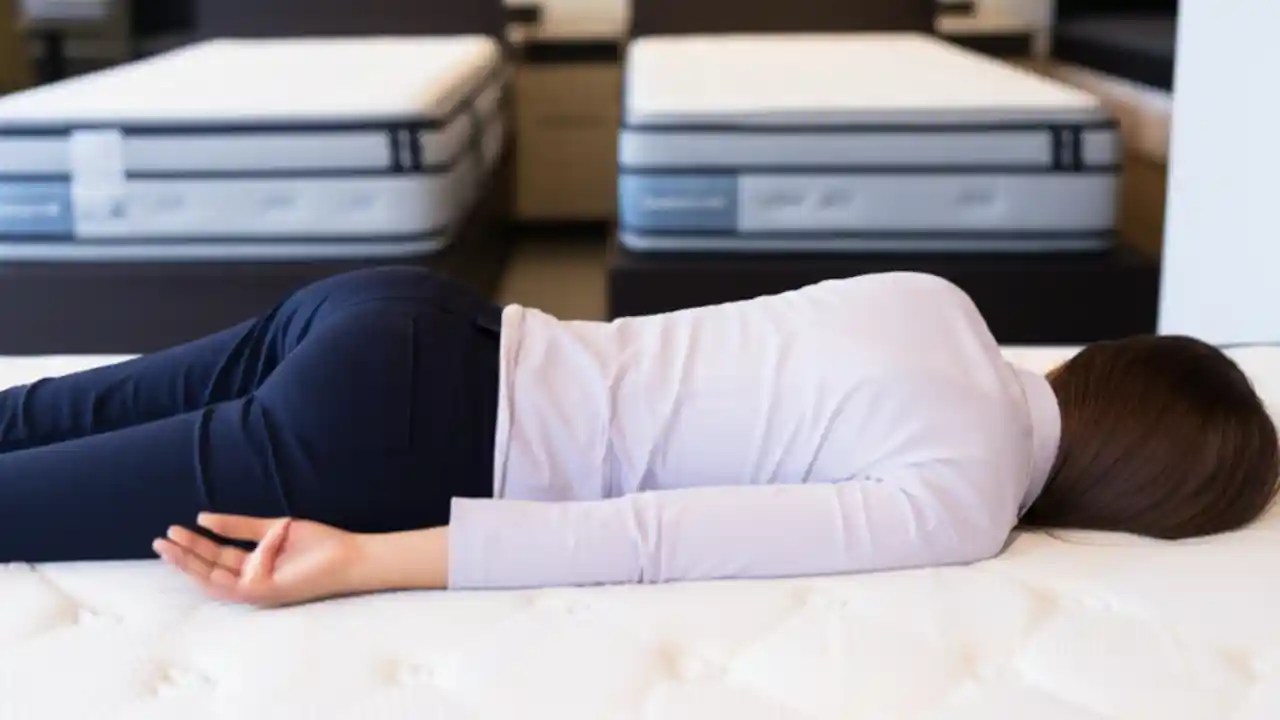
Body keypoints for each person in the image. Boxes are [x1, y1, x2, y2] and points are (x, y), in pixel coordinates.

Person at [1, 267, 1276, 606]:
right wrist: (363, 560)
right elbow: (653, 537)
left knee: (40, 413)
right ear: (1140, 500)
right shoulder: (963, 506)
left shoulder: (943, 306)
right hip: (407, 436)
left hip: (407, 317)